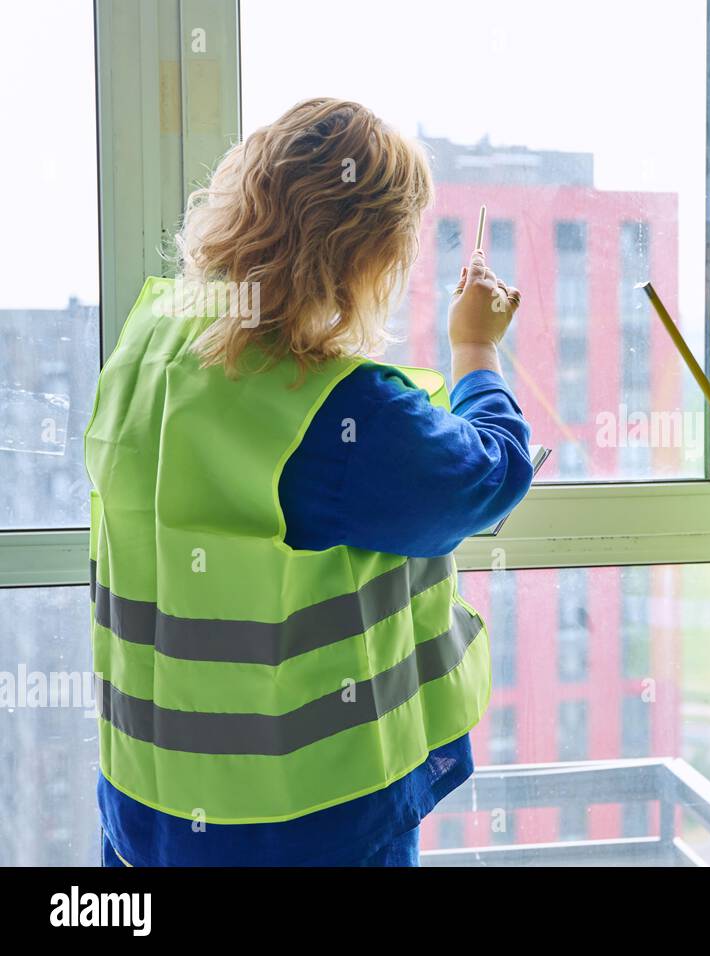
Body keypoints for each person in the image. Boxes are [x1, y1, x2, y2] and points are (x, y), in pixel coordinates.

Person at [86, 98, 532, 866]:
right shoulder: (330, 410)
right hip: (302, 822)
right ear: (369, 251)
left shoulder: (148, 344)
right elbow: (486, 476)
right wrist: (475, 347)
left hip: (143, 807)